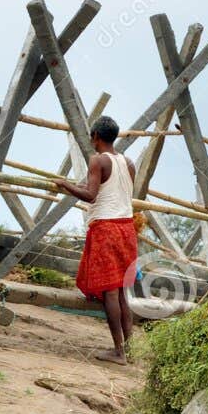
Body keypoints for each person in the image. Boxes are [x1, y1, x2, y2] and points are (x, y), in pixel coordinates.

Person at [53, 115, 139, 364]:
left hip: (107, 229)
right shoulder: (128, 163)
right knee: (121, 292)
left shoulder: (97, 160)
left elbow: (91, 195)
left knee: (110, 293)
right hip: (126, 229)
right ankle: (130, 350)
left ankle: (119, 351)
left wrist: (65, 185)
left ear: (96, 137)